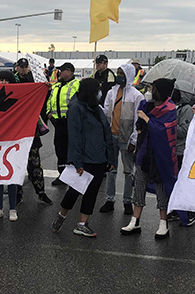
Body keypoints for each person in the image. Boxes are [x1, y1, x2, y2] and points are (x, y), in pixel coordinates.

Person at [51, 78, 117, 237]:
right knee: (75, 190)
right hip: (84, 159)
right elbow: (74, 138)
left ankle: (82, 223)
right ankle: (62, 215)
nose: (100, 93)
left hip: (99, 158)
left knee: (92, 192)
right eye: (97, 90)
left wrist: (111, 158)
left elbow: (106, 133)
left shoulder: (97, 108)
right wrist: (77, 162)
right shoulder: (76, 109)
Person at [120, 79, 178, 239]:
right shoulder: (146, 105)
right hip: (143, 152)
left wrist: (147, 119)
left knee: (161, 190)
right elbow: (140, 125)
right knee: (138, 187)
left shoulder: (169, 109)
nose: (149, 91)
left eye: (153, 89)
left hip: (160, 156)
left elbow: (163, 130)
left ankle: (163, 224)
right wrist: (141, 124)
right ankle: (135, 221)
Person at [98, 64, 144, 214]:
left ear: (129, 75)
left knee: (128, 171)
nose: (119, 76)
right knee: (111, 169)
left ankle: (127, 201)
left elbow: (139, 120)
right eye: (117, 73)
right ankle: (109, 199)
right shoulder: (112, 92)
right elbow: (106, 111)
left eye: (121, 73)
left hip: (126, 138)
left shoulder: (136, 95)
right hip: (111, 136)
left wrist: (134, 140)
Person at [13, 58, 53, 205]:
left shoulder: (36, 80)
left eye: (25, 67)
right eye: (21, 67)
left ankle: (41, 192)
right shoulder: (12, 80)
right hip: (16, 128)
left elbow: (45, 98)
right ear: (17, 68)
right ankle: (17, 194)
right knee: (16, 164)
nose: (23, 69)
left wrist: (47, 89)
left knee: (35, 162)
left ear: (28, 68)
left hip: (31, 126)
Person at [0, 71, 22, 221]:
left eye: (6, 80)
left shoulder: (18, 96)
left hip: (13, 140)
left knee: (12, 175)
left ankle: (13, 209)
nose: (3, 83)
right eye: (1, 80)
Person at [167, 88, 195, 226]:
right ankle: (177, 210)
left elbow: (184, 131)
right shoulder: (174, 108)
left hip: (182, 151)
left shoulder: (185, 110)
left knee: (183, 183)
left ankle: (191, 213)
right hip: (174, 150)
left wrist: (168, 126)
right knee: (175, 183)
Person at [47, 62, 80, 185]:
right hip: (58, 123)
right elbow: (50, 100)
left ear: (70, 72)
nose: (59, 72)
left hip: (71, 123)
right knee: (59, 148)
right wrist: (49, 112)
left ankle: (73, 176)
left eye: (62, 70)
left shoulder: (77, 85)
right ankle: (62, 175)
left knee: (72, 150)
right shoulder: (56, 86)